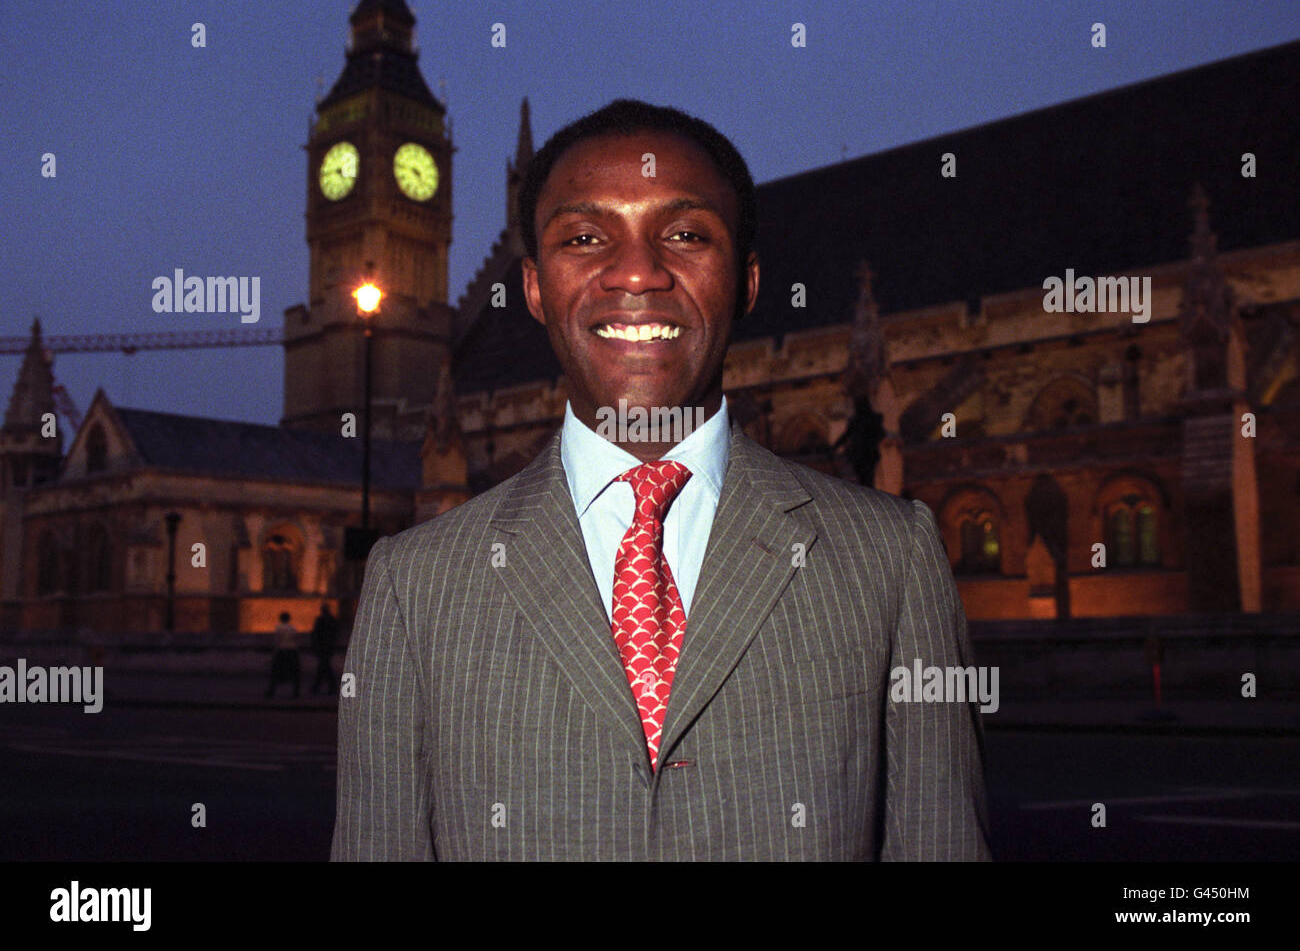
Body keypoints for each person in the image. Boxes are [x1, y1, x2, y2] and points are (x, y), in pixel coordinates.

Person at [332, 99, 992, 861]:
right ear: (535, 288)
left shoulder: (893, 557)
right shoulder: (412, 585)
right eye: (584, 237)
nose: (638, 271)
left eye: (684, 234)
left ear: (746, 281)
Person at [265, 611, 299, 699]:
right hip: (292, 651)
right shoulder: (293, 628)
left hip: (282, 650)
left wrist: (274, 651)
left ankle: (271, 691)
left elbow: (277, 640)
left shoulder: (279, 628)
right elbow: (296, 640)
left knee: (276, 672)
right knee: (294, 672)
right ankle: (295, 692)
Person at [309, 603, 341, 696]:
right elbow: (336, 633)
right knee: (324, 666)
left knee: (324, 666)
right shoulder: (332, 620)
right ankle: (324, 686)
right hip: (328, 647)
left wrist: (314, 645)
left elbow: (315, 633)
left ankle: (319, 686)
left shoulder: (319, 620)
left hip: (321, 646)